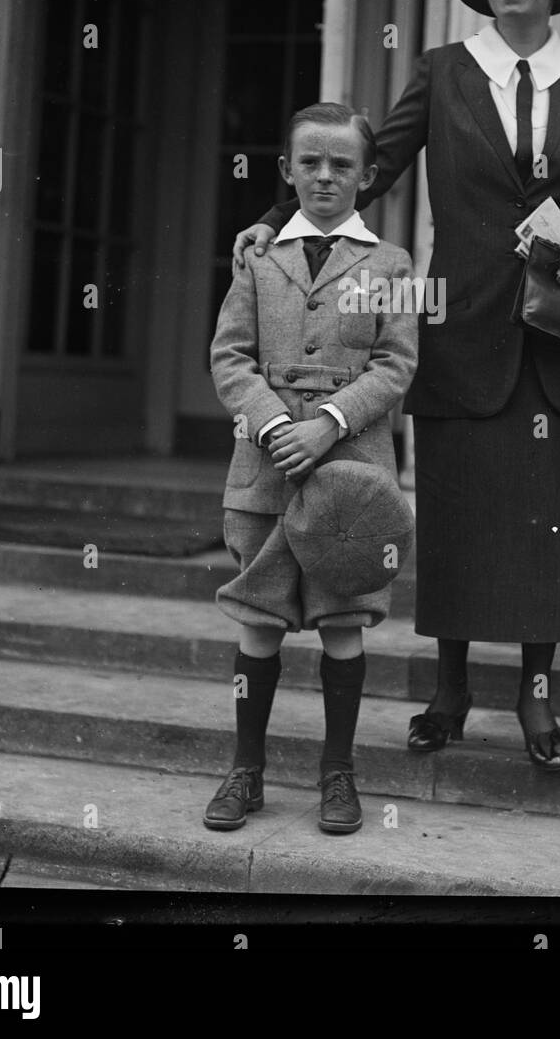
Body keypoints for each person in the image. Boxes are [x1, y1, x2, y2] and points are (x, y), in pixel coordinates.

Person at [232, 0, 560, 773]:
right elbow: (378, 166)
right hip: (459, 325)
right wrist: (271, 221)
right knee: (462, 517)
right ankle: (451, 690)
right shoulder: (442, 71)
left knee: (552, 526)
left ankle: (534, 699)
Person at [206, 102, 418, 833]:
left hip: (350, 476)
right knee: (258, 621)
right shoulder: (258, 258)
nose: (325, 177)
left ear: (366, 176)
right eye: (310, 164)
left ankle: (337, 774)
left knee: (342, 622)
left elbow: (396, 365)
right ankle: (246, 770)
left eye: (341, 165)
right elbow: (229, 355)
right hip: (263, 471)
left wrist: (328, 423)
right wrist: (270, 423)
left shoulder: (390, 264)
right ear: (286, 172)